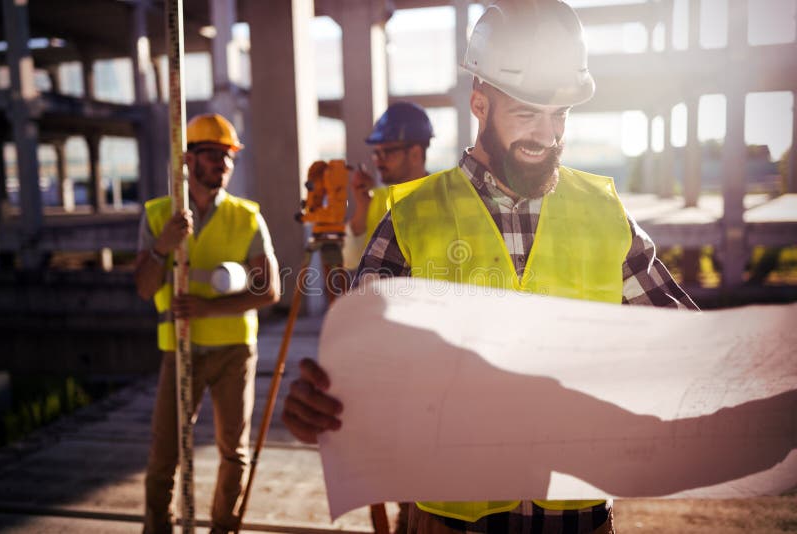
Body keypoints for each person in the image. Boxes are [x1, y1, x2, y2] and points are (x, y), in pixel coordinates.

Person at [282, 1, 698, 533]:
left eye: (559, 115)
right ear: (480, 103)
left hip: (577, 517)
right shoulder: (414, 218)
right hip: (453, 517)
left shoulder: (602, 211)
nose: (547, 135)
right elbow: (360, 371)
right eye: (527, 112)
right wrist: (319, 406)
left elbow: (686, 343)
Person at [134, 113, 280, 534]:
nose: (224, 165)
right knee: (164, 455)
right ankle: (157, 527)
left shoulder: (247, 217)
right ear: (189, 160)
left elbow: (269, 291)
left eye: (228, 157)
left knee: (234, 453)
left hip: (234, 351)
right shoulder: (159, 215)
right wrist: (163, 246)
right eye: (213, 156)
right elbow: (144, 289)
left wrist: (207, 308)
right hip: (178, 351)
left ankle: (222, 529)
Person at [343, 102, 435, 268]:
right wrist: (362, 208)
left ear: (415, 153)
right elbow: (349, 261)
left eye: (387, 151)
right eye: (376, 152)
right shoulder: (374, 199)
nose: (379, 160)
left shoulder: (442, 198)